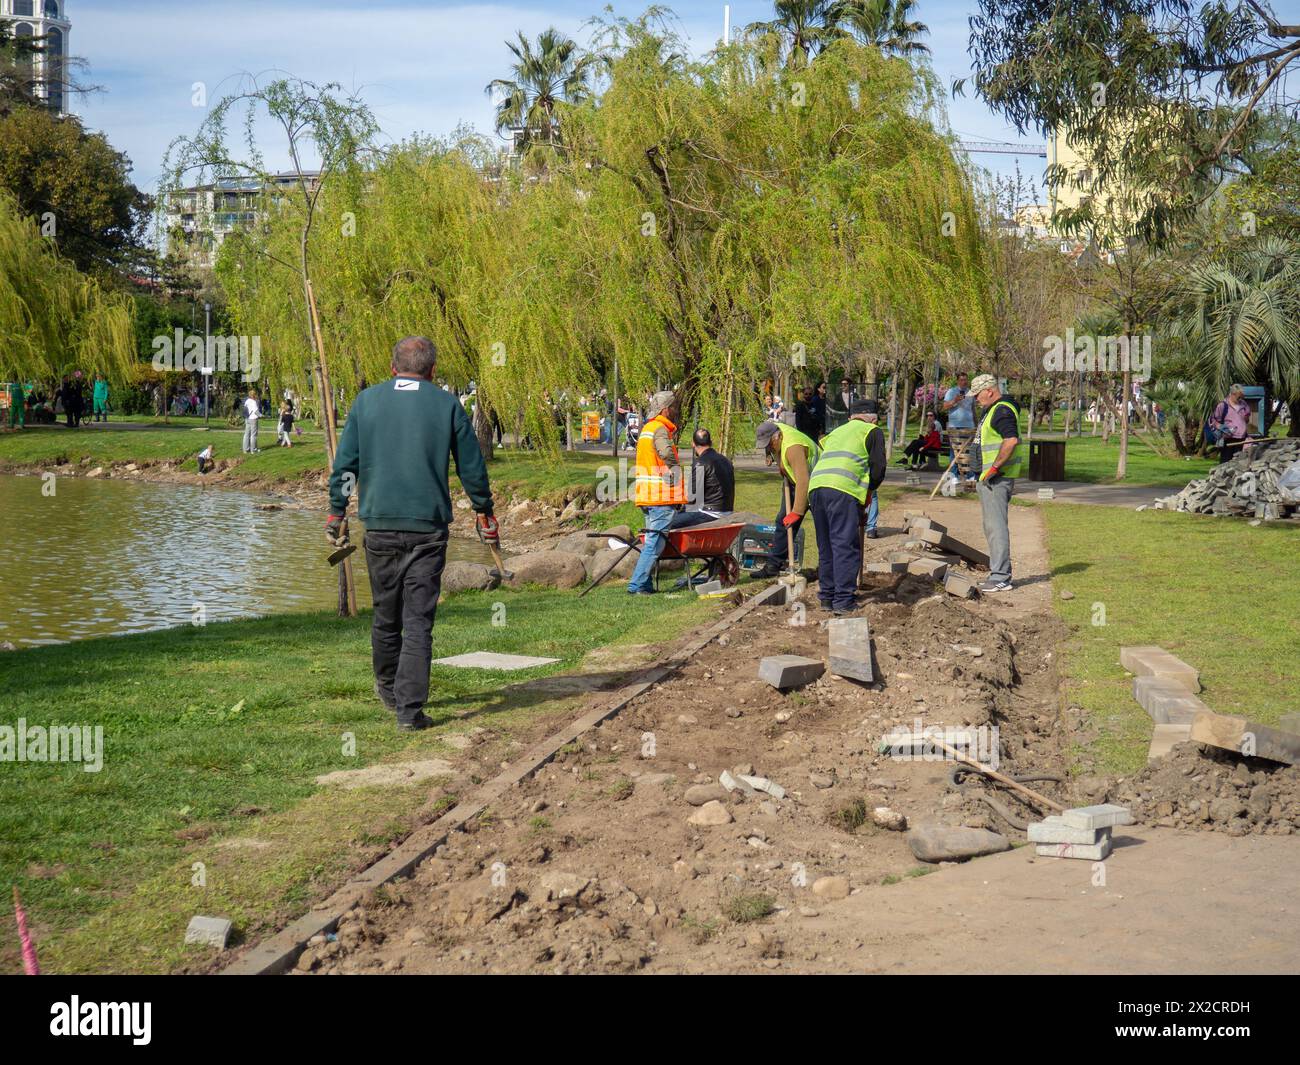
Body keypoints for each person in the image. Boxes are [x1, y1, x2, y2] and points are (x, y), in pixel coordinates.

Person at [327, 336, 495, 731]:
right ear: (432, 371)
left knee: (386, 615)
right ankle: (409, 711)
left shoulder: (366, 402)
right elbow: (471, 466)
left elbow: (347, 464)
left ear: (392, 367)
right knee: (418, 619)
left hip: (380, 525)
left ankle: (388, 689)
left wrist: (337, 511)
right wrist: (483, 508)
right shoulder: (447, 404)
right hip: (428, 528)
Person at [808, 399, 886, 614]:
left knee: (826, 547)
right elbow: (878, 469)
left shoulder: (836, 432)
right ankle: (843, 601)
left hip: (816, 488)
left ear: (851, 417)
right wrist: (869, 492)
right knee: (844, 546)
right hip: (842, 490)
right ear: (872, 417)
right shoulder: (871, 431)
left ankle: (827, 596)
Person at [626, 391, 686, 594]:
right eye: (673, 407)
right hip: (660, 496)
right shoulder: (660, 429)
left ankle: (646, 584)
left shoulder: (647, 429)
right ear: (665, 410)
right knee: (654, 544)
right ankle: (636, 584)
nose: (675, 411)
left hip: (646, 495)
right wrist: (676, 471)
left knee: (651, 542)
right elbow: (666, 453)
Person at [970, 373, 1023, 593]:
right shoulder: (995, 408)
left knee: (996, 527)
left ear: (989, 391)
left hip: (996, 479)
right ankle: (999, 574)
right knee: (992, 526)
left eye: (978, 395)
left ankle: (1001, 576)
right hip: (991, 478)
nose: (976, 399)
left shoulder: (1001, 410)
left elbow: (1010, 440)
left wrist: (994, 468)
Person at [751, 416, 819, 577]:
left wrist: (796, 511)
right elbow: (775, 449)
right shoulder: (777, 431)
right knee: (783, 521)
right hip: (794, 481)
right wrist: (770, 454)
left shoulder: (793, 447)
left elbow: (804, 481)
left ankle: (825, 569)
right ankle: (774, 565)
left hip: (818, 485)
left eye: (769, 445)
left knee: (823, 527)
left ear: (778, 436)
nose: (768, 447)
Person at [942, 372, 976, 482]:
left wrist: (976, 424)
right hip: (955, 426)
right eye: (961, 380)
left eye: (965, 379)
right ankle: (954, 475)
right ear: (957, 381)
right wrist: (955, 401)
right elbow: (945, 406)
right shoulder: (951, 391)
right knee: (955, 451)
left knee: (968, 451)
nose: (964, 382)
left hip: (969, 426)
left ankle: (969, 475)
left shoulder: (971, 393)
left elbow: (973, 409)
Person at [1209, 384, 1253, 464]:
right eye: (1238, 397)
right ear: (1232, 394)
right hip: (1228, 439)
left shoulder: (1244, 404)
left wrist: (1246, 418)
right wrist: (1221, 427)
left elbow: (1247, 419)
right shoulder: (1223, 405)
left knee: (1238, 463)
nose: (1240, 399)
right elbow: (1214, 420)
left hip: (1241, 439)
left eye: (1241, 397)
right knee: (1225, 463)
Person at [242, 388, 261, 453]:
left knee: (246, 434)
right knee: (253, 435)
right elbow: (256, 411)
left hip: (247, 418)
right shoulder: (254, 402)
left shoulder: (247, 401)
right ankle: (253, 449)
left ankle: (245, 449)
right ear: (254, 395)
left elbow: (244, 409)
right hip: (253, 419)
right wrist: (261, 415)